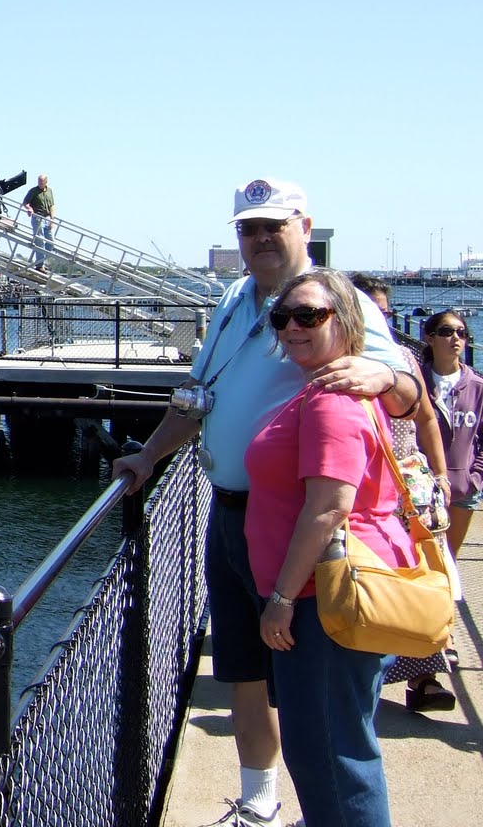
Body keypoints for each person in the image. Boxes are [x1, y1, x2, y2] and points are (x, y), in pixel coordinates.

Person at [112, 179, 418, 827]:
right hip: (227, 514)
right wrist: (149, 455)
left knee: (321, 711)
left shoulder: (334, 301)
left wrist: (386, 374)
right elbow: (198, 398)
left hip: (292, 528)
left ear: (305, 225)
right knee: (243, 672)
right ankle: (259, 800)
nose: (259, 239)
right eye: (248, 229)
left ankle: (335, 813)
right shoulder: (234, 300)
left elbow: (408, 389)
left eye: (273, 226)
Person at [245, 268, 415, 827]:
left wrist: (282, 599)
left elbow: (328, 508)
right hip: (324, 598)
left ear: (345, 321)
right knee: (330, 741)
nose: (292, 327)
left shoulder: (331, 402)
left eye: (309, 316)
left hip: (323, 601)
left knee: (331, 751)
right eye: (282, 318)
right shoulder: (323, 389)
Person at [349, 274, 455, 711]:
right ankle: (367, 670)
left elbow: (427, 420)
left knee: (418, 575)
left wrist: (441, 474)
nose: (382, 317)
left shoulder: (405, 359)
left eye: (385, 309)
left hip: (405, 486)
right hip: (358, 487)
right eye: (371, 308)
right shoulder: (331, 360)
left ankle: (425, 677)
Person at [421, 309, 483, 561]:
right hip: (420, 491)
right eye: (446, 332)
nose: (455, 338)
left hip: (462, 490)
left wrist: (475, 477)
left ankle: (448, 601)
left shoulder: (477, 387)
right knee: (422, 559)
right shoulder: (416, 382)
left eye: (461, 333)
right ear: (430, 338)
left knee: (448, 559)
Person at [21, 174, 55, 271]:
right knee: (39, 240)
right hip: (37, 217)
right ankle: (40, 265)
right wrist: (29, 208)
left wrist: (52, 220)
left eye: (42, 182)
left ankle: (43, 262)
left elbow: (52, 205)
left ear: (46, 182)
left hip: (47, 217)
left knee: (51, 242)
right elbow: (25, 203)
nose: (40, 183)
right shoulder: (33, 191)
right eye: (39, 181)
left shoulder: (49, 191)